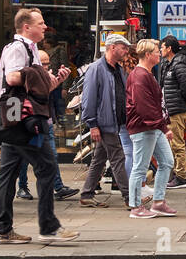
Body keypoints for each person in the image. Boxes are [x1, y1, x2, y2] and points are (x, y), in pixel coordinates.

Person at [0, 8, 78, 244]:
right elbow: (12, 78)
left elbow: (37, 88)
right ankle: (48, 227)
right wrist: (38, 73)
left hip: (19, 115)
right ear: (26, 27)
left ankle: (1, 229)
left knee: (8, 174)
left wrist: (55, 81)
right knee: (47, 167)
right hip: (20, 117)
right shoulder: (18, 48)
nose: (45, 26)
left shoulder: (32, 50)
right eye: (40, 23)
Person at [79, 35, 132, 208]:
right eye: (123, 47)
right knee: (118, 158)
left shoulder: (117, 69)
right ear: (112, 47)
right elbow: (88, 99)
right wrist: (92, 124)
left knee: (99, 158)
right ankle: (130, 197)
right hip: (105, 122)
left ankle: (87, 194)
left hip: (114, 122)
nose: (126, 51)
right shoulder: (96, 69)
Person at [126, 39, 177, 218]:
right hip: (144, 128)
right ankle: (135, 206)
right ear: (148, 55)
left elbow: (153, 105)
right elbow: (145, 107)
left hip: (152, 127)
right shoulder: (140, 76)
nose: (159, 54)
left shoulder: (145, 74)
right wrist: (163, 126)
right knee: (139, 167)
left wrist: (162, 125)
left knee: (167, 162)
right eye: (156, 52)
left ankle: (158, 202)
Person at [17, 49, 76, 200]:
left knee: (52, 156)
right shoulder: (30, 77)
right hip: (30, 122)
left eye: (47, 63)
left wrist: (57, 82)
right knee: (24, 158)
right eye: (42, 63)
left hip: (46, 121)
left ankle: (58, 186)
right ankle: (22, 187)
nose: (45, 66)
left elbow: (52, 100)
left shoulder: (47, 76)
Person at [154, 36, 186, 189]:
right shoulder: (169, 64)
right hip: (170, 109)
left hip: (176, 109)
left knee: (177, 143)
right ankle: (177, 174)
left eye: (162, 47)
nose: (160, 50)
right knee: (173, 143)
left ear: (169, 48)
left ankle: (181, 177)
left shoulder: (179, 64)